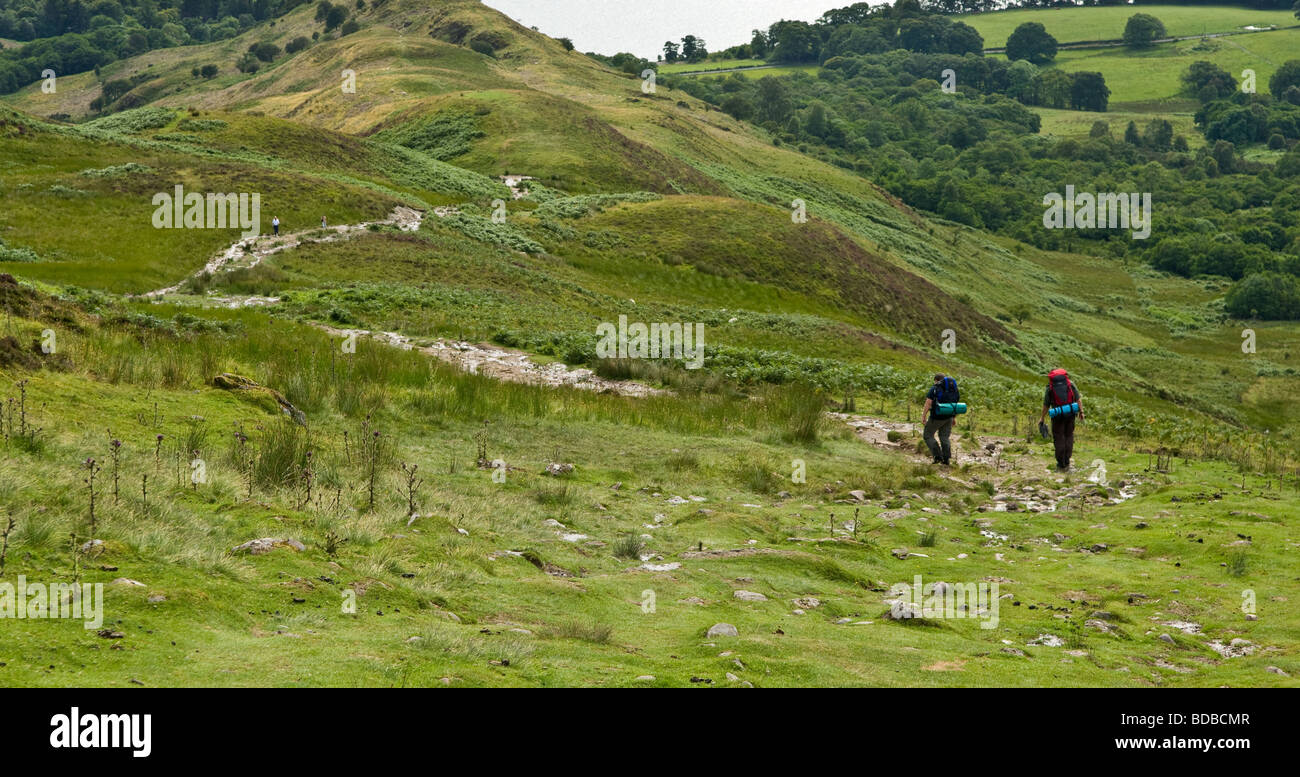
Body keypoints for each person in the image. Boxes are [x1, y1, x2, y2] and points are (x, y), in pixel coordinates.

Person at [1040, 368, 1083, 470]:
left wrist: (1042, 418)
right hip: (1071, 414)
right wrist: (1081, 412)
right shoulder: (1070, 384)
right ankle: (1067, 460)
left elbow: (1046, 405)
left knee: (1059, 437)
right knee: (1069, 435)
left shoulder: (1050, 388)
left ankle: (1060, 463)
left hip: (1057, 415)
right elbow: (1078, 399)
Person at [921, 373, 960, 466]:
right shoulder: (953, 389)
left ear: (936, 380)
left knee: (927, 435)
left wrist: (923, 416)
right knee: (944, 437)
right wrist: (953, 417)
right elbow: (954, 403)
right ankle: (946, 459)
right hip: (949, 417)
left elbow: (928, 403)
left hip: (937, 417)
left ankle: (937, 456)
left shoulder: (935, 388)